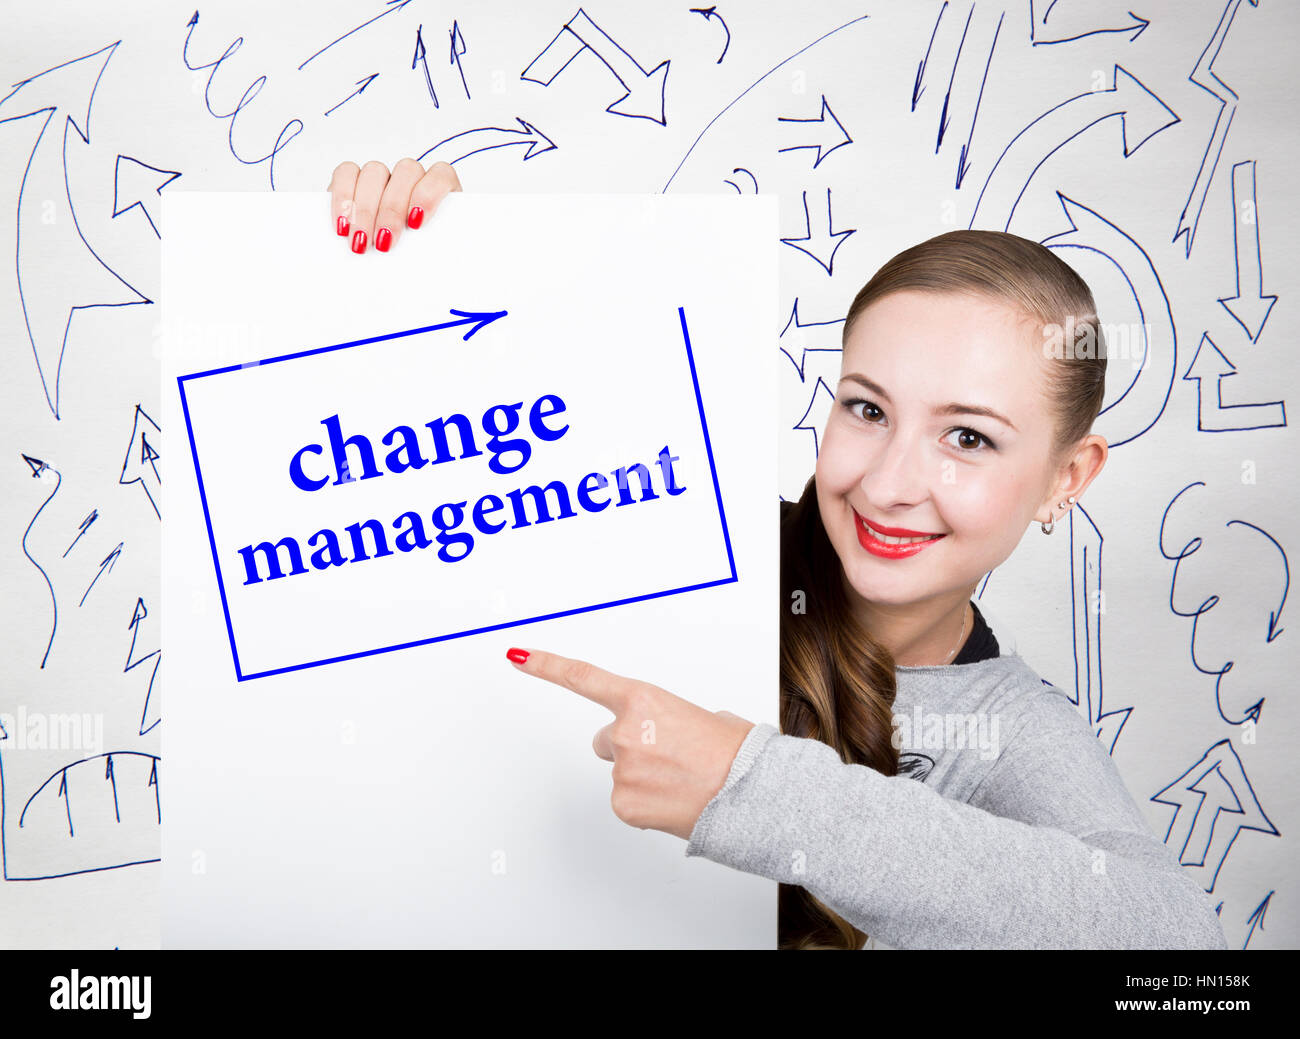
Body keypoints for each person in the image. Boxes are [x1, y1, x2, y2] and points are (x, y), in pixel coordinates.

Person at [327, 160, 1229, 951]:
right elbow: (468, 466)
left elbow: (1184, 964)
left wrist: (748, 783)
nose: (887, 484)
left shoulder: (1015, 734)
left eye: (967, 438)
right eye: (867, 410)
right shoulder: (691, 545)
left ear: (1067, 476)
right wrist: (420, 266)